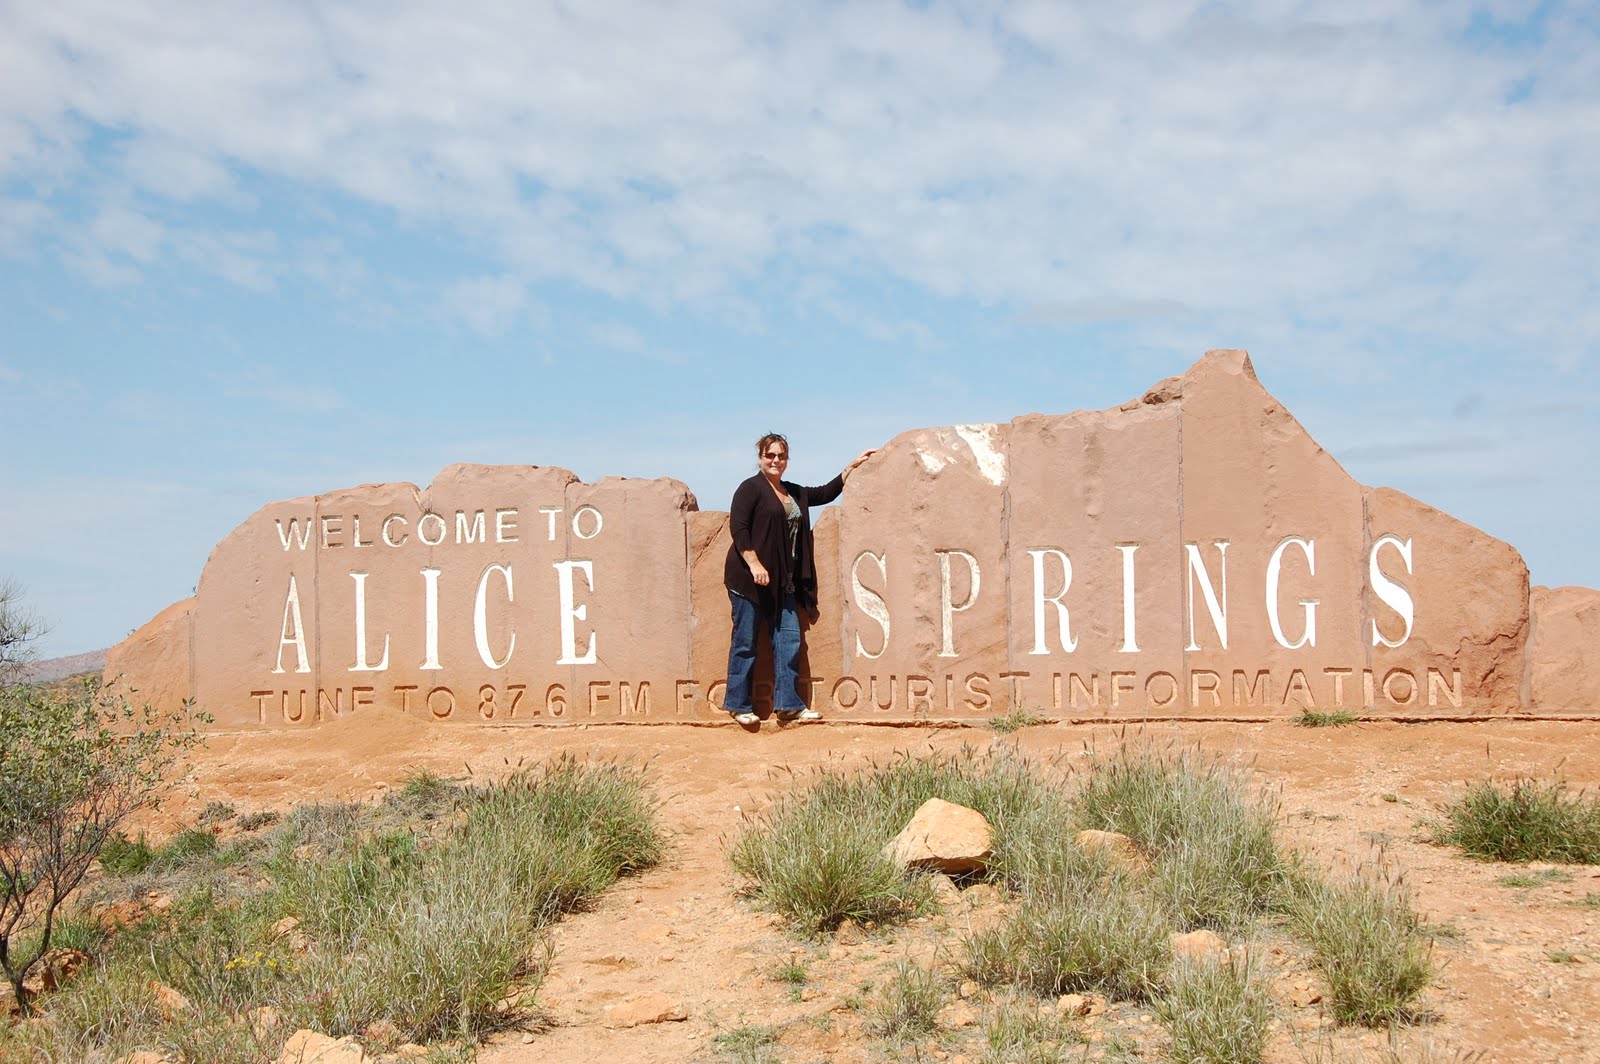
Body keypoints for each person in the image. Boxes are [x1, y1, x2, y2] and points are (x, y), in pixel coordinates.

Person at [723, 433, 874, 725]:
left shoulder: (793, 492)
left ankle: (789, 705)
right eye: (770, 455)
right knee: (745, 643)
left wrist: (851, 468)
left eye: (781, 456)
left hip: (784, 584)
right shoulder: (750, 489)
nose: (775, 461)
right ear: (760, 458)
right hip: (749, 582)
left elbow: (825, 493)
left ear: (787, 460)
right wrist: (754, 563)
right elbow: (738, 528)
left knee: (789, 643)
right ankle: (738, 705)